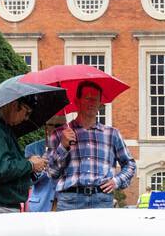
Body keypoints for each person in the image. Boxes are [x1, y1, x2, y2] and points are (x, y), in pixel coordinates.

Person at [46, 82, 135, 211]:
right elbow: (51, 172)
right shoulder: (60, 134)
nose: (92, 102)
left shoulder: (112, 134)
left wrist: (117, 181)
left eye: (96, 99)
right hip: (70, 200)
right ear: (77, 101)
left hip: (101, 199)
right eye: (87, 98)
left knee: (101, 232)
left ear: (100, 104)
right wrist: (63, 146)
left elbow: (130, 164)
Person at [24, 138, 56, 212]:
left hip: (67, 202)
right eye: (51, 125)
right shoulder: (32, 148)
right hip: (41, 204)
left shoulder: (73, 145)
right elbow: (28, 181)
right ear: (46, 126)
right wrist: (42, 166)